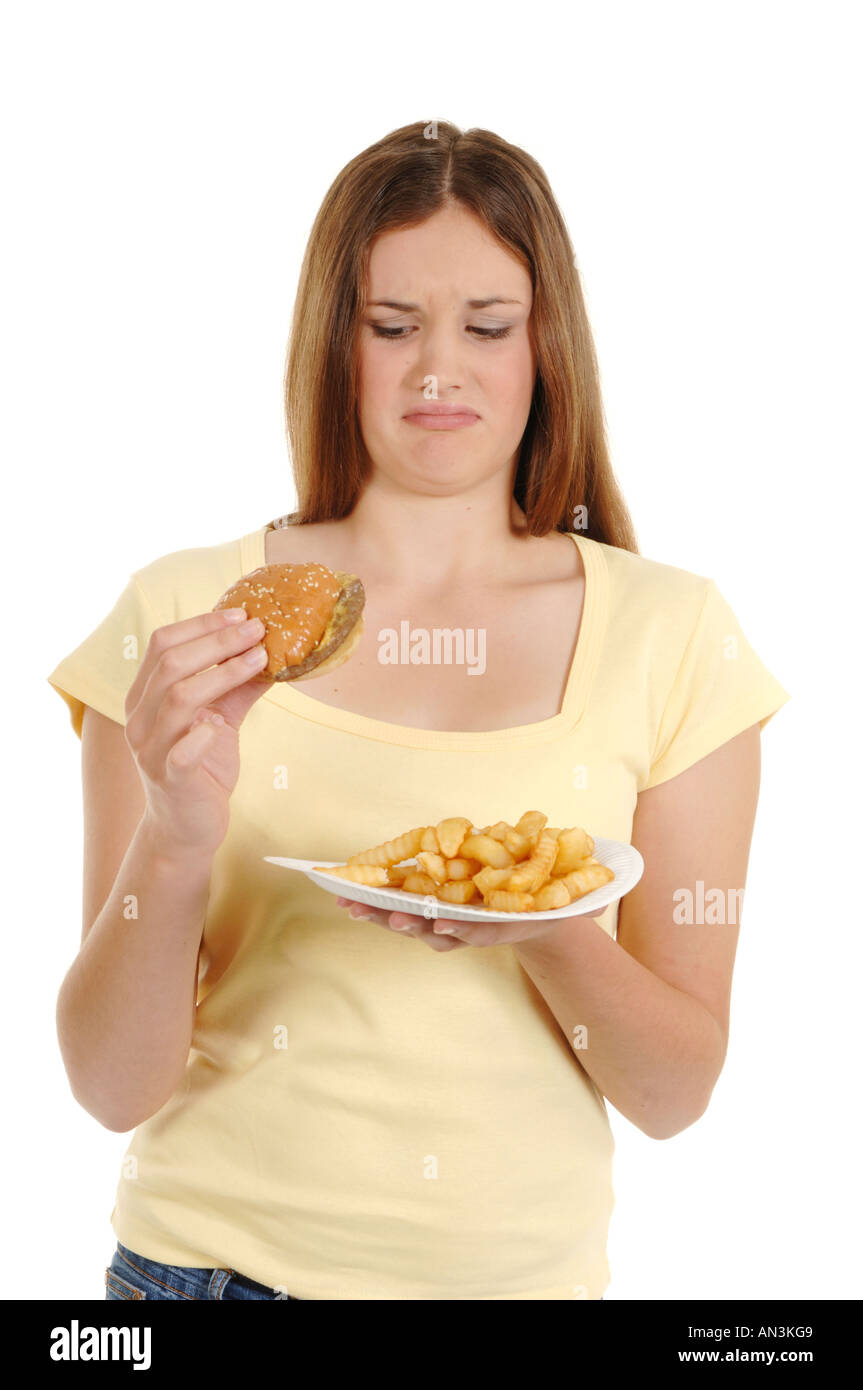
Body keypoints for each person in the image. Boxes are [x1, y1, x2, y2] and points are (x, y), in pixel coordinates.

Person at [47, 120, 790, 1302]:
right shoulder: (183, 615)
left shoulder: (676, 635)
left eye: (486, 327)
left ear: (547, 346)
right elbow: (106, 1085)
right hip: (201, 1279)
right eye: (392, 328)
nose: (437, 371)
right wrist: (176, 835)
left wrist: (542, 924)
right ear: (330, 345)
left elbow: (672, 1094)